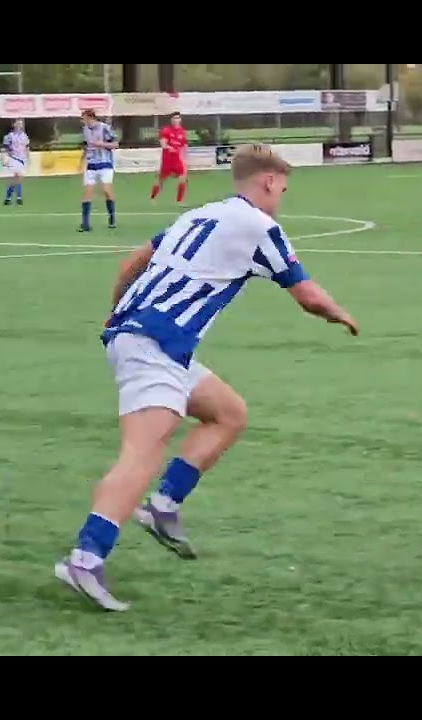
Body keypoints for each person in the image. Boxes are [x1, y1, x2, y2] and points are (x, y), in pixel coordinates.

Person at [55, 144, 360, 611]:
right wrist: (341, 314)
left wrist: (113, 316)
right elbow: (307, 295)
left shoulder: (199, 214)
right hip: (152, 345)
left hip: (147, 339)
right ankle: (85, 557)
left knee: (228, 413)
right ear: (270, 182)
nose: (282, 195)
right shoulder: (260, 226)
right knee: (142, 453)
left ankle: (164, 506)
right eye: (283, 186)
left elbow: (130, 263)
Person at [79, 109, 119, 232]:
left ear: (92, 117)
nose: (84, 121)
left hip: (105, 163)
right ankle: (85, 223)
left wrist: (101, 144)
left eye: (85, 118)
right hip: (91, 165)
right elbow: (86, 146)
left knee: (106, 190)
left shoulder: (105, 128)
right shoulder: (85, 130)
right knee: (87, 192)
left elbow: (116, 144)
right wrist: (81, 161)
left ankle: (111, 217)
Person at [151, 111, 189, 205]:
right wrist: (169, 148)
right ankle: (153, 198)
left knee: (183, 177)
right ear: (171, 120)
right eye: (174, 118)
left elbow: (184, 146)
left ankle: (180, 201)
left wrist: (185, 160)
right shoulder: (166, 130)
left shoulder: (182, 131)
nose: (176, 120)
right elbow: (163, 144)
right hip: (167, 159)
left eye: (178, 118)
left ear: (180, 120)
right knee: (161, 180)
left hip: (177, 160)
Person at [1, 119, 29, 206]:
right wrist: (3, 158)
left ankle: (8, 198)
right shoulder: (9, 136)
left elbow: (27, 147)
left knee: (17, 180)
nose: (19, 125)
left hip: (22, 159)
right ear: (14, 125)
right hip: (13, 159)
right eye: (18, 123)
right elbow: (4, 148)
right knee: (17, 178)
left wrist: (28, 158)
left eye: (20, 124)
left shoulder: (24, 136)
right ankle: (18, 198)